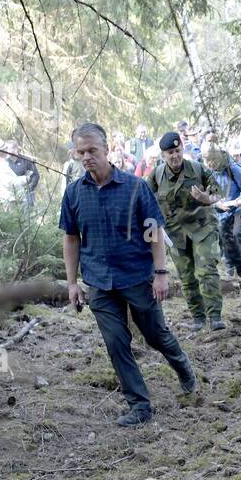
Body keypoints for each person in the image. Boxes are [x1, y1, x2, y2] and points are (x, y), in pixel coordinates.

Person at [60, 122, 196, 427]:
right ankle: (139, 404)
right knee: (116, 342)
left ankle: (182, 366)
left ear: (107, 149)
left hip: (137, 278)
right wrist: (72, 284)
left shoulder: (136, 187)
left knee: (155, 336)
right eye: (80, 152)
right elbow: (71, 239)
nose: (86, 157)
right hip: (99, 283)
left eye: (92, 150)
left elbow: (154, 233)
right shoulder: (73, 194)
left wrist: (161, 273)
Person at [148, 131, 227, 331]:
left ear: (182, 149)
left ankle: (215, 317)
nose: (174, 156)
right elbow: (144, 198)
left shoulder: (197, 168)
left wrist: (206, 199)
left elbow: (217, 192)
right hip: (175, 232)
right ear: (163, 155)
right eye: (169, 153)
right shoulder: (156, 175)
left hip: (202, 227)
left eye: (177, 150)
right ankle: (198, 318)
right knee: (187, 277)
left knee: (206, 269)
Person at [203, 143, 241, 281]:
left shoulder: (233, 168)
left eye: (213, 160)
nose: (210, 163)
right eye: (207, 161)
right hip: (224, 210)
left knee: (238, 232)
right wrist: (216, 202)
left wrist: (240, 198)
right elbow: (208, 195)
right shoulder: (209, 173)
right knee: (224, 235)